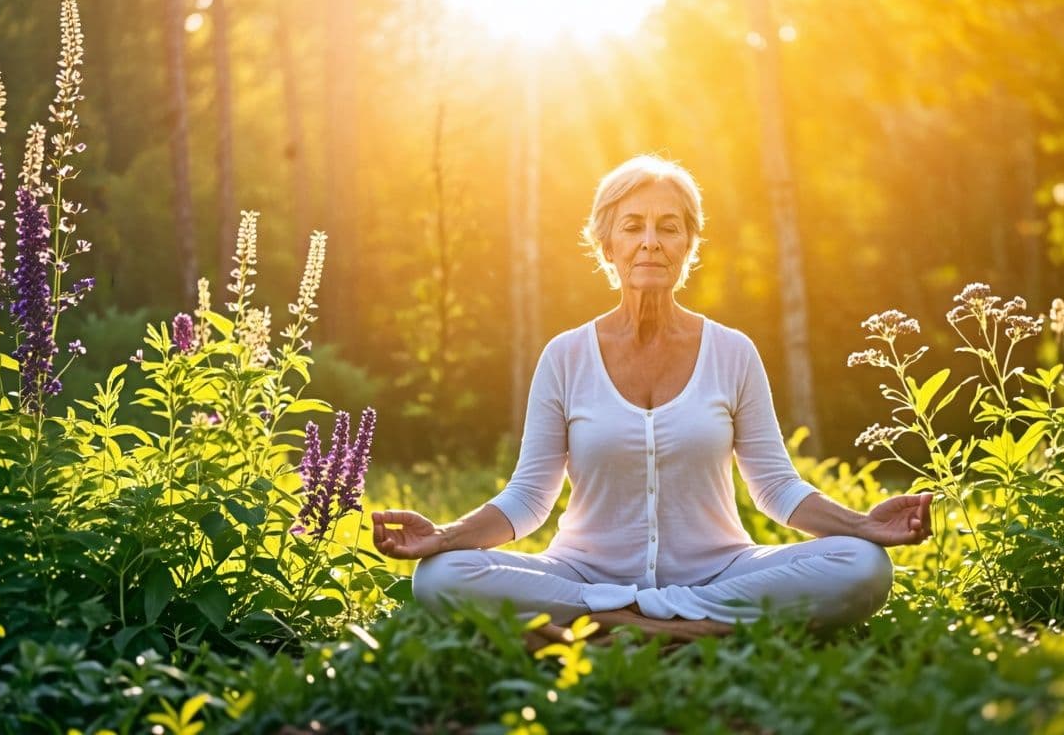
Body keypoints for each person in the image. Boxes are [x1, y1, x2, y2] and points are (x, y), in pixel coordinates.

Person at [372, 155, 933, 641]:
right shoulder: (565, 356)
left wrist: (861, 527)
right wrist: (445, 537)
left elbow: (775, 487)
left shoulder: (732, 352)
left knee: (863, 567)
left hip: (719, 572)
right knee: (440, 576)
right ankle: (692, 631)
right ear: (606, 243)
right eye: (632, 226)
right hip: (583, 577)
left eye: (668, 227)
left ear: (689, 244)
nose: (650, 242)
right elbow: (528, 499)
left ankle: (622, 632)